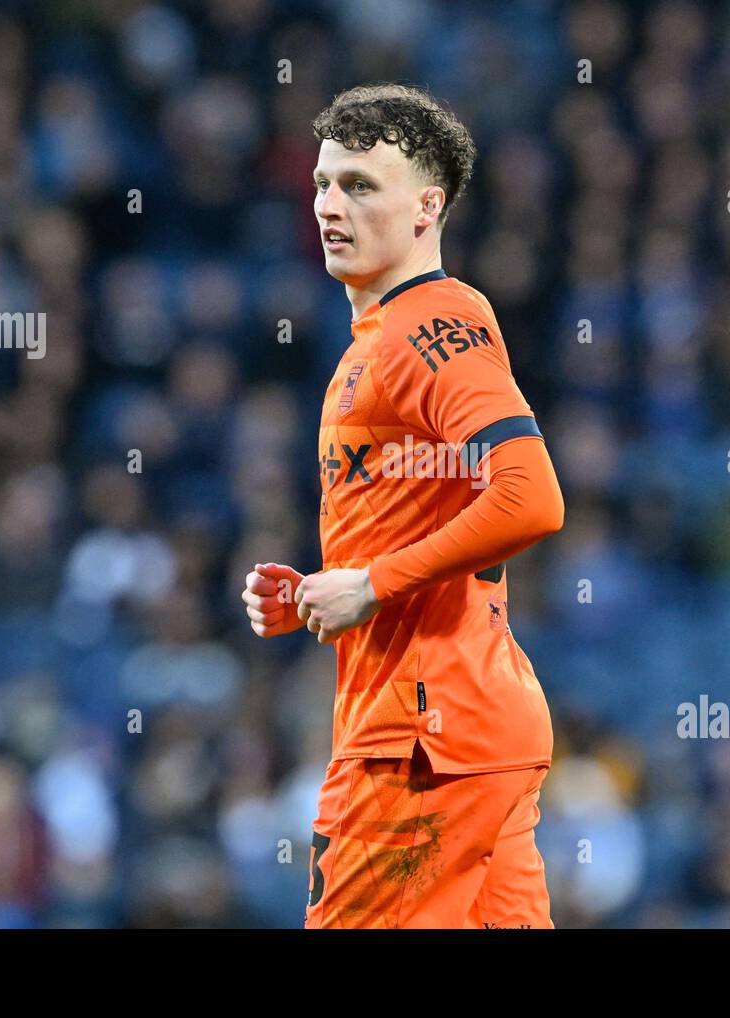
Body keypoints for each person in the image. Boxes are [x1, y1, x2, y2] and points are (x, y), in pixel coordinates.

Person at [241, 83, 565, 929]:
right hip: (471, 727)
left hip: (421, 744)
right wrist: (325, 590)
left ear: (428, 207)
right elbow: (428, 515)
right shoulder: (381, 338)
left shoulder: (428, 326)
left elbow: (531, 497)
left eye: (359, 185)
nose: (328, 205)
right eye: (322, 182)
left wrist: (372, 584)